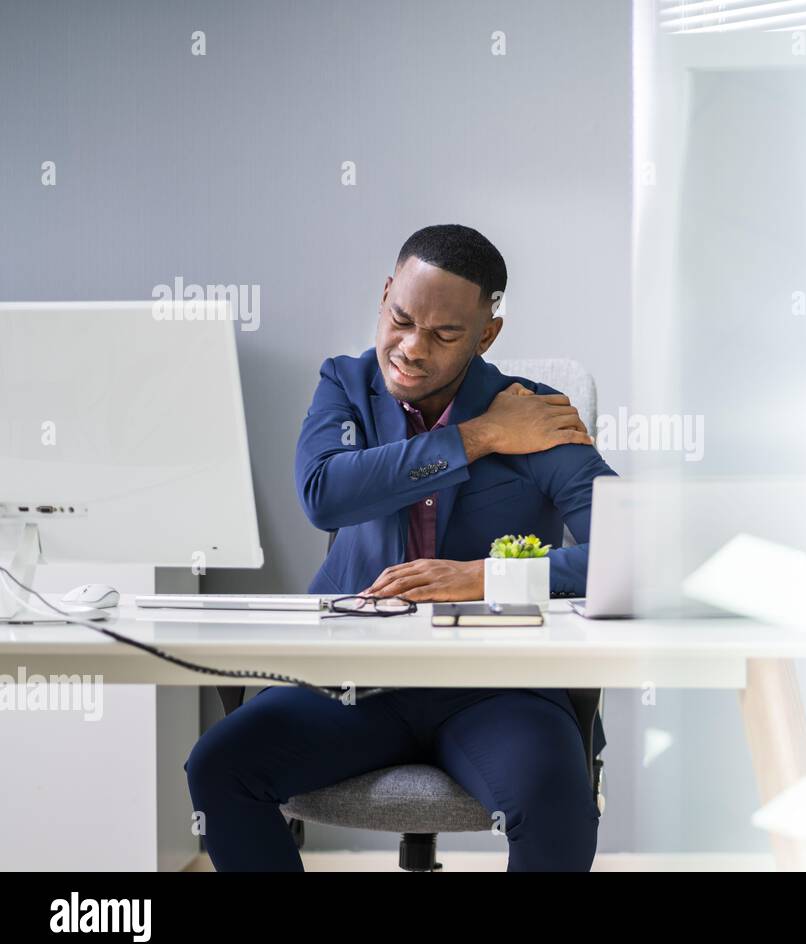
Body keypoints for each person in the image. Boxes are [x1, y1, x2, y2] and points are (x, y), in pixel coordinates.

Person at [185, 224, 617, 871]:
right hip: (349, 682)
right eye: (401, 318)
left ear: (485, 335)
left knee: (553, 794)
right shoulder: (346, 384)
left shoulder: (535, 415)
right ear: (386, 294)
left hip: (496, 686)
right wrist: (476, 438)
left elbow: (628, 553)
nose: (411, 348)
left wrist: (486, 577)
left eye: (444, 335)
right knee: (220, 765)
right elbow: (325, 493)